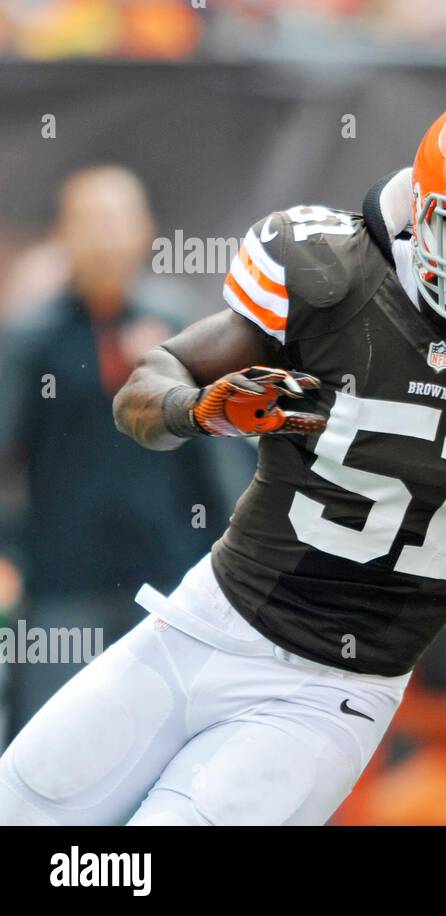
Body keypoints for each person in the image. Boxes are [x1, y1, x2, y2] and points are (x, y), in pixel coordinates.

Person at [0, 93, 446, 825]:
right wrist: (199, 411)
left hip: (333, 688)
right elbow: (149, 383)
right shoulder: (335, 279)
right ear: (425, 221)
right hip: (203, 627)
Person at [0, 166, 245, 740]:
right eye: (91, 223)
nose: (106, 238)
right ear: (64, 234)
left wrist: (233, 553)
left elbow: (226, 454)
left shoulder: (181, 329)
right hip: (63, 582)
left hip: (167, 576)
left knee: (158, 739)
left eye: (118, 222)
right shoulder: (32, 337)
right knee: (49, 741)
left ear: (144, 231)